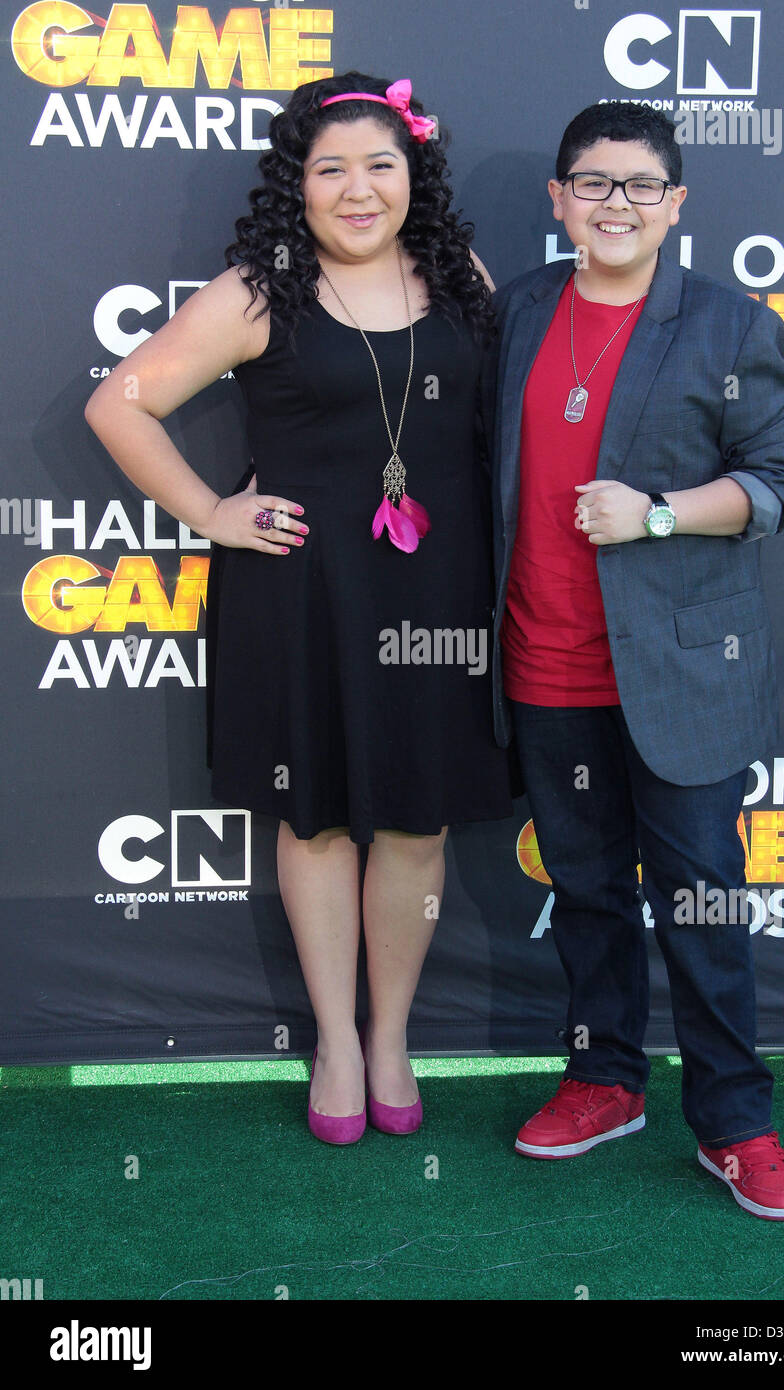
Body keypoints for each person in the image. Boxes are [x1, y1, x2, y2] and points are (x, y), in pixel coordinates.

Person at [84, 72, 513, 1145]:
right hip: (303, 590)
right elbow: (117, 403)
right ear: (298, 185)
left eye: (380, 164)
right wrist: (209, 510)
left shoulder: (458, 275)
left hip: (439, 592)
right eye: (331, 169)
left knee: (415, 824)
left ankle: (392, 1038)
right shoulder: (259, 288)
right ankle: (332, 1037)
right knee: (315, 817)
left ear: (413, 173)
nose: (358, 190)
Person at [483, 103, 784, 1218]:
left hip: (681, 672)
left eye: (637, 185)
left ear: (675, 203)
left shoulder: (726, 322)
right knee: (581, 892)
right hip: (543, 663)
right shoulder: (519, 311)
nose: (613, 203)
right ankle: (601, 1079)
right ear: (558, 200)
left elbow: (780, 485)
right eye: (591, 183)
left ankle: (733, 1120)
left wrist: (660, 514)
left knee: (702, 901)